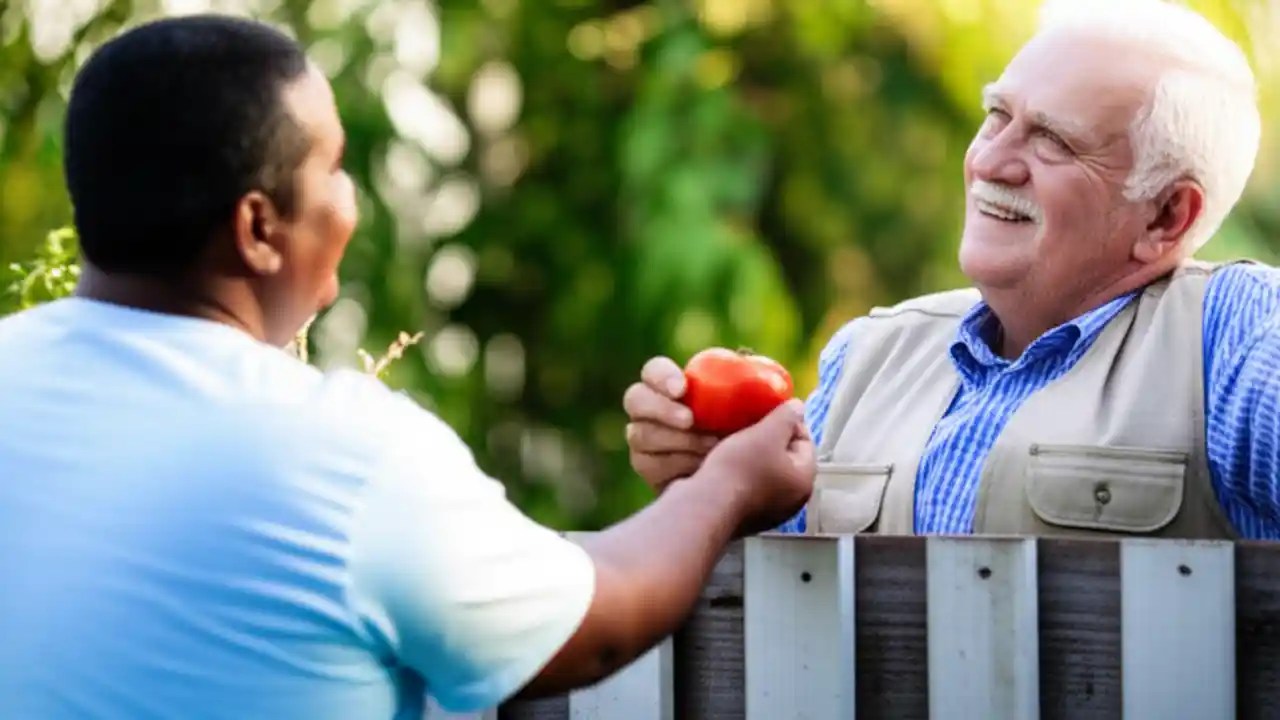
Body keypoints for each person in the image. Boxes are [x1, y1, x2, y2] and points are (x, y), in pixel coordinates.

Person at [0, 15, 816, 719]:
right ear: (257, 227)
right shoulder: (340, 450)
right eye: (335, 167)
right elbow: (598, 622)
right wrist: (728, 486)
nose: (351, 199)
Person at [624, 0, 1276, 540]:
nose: (992, 160)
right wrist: (712, 488)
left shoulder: (1237, 337)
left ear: (1165, 217)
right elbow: (774, 620)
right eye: (998, 115)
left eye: (1053, 139)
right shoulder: (866, 356)